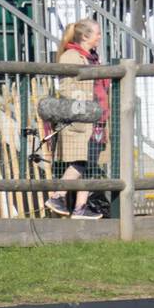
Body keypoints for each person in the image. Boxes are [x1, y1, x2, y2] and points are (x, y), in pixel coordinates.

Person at [46, 20, 111, 219]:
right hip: (81, 119)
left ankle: (80, 208)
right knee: (80, 161)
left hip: (98, 118)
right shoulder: (71, 56)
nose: (100, 37)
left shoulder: (91, 58)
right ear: (85, 36)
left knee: (91, 163)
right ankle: (58, 196)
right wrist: (84, 105)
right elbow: (66, 88)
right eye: (97, 34)